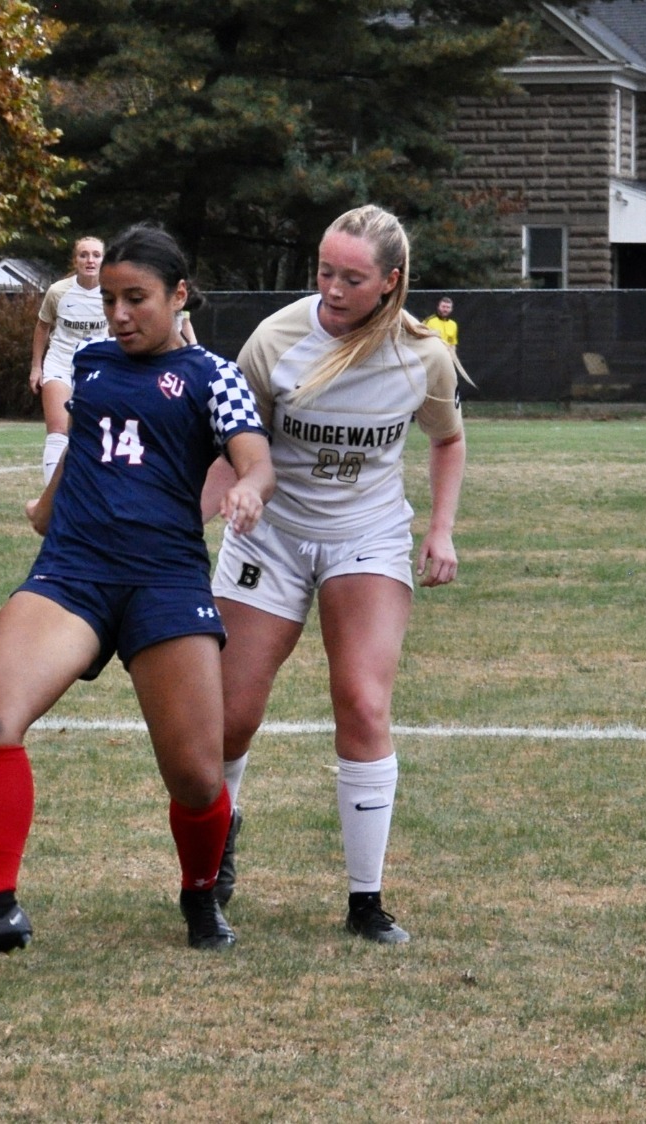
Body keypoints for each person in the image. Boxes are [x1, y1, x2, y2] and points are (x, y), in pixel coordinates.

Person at [0, 225, 275, 980]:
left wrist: (245, 488)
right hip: (73, 568)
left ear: (179, 296)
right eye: (108, 298)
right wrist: (47, 505)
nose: (117, 314)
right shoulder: (93, 364)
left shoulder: (214, 375)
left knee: (199, 781)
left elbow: (256, 458)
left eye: (135, 299)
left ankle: (201, 894)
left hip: (165, 578)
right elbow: (85, 447)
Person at [206, 204, 467, 945]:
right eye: (325, 272)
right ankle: (215, 857)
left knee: (361, 700)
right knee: (231, 716)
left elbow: (448, 442)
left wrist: (440, 529)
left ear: (390, 282)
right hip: (274, 538)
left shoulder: (423, 356)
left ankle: (366, 901)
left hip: (367, 535)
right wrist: (212, 504)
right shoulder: (278, 339)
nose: (333, 289)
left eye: (353, 278)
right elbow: (233, 443)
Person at [29, 236, 109, 491]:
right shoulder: (58, 292)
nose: (90, 260)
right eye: (84, 254)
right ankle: (53, 500)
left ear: (103, 260)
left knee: (95, 434)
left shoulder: (112, 293)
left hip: (97, 370)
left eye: (96, 255)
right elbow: (42, 327)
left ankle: (89, 492)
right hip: (60, 364)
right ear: (75, 260)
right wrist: (36, 367)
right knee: (58, 432)